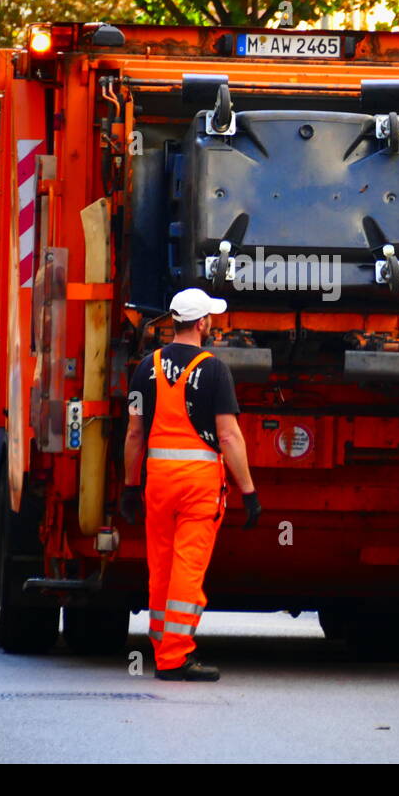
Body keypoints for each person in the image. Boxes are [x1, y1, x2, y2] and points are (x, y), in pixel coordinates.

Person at [119, 288, 259, 682]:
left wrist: (130, 487)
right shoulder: (214, 369)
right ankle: (175, 657)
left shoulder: (145, 368)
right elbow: (229, 435)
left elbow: (134, 433)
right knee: (187, 568)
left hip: (158, 484)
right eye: (210, 318)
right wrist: (248, 490)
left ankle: (163, 645)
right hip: (198, 487)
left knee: (160, 565)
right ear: (201, 323)